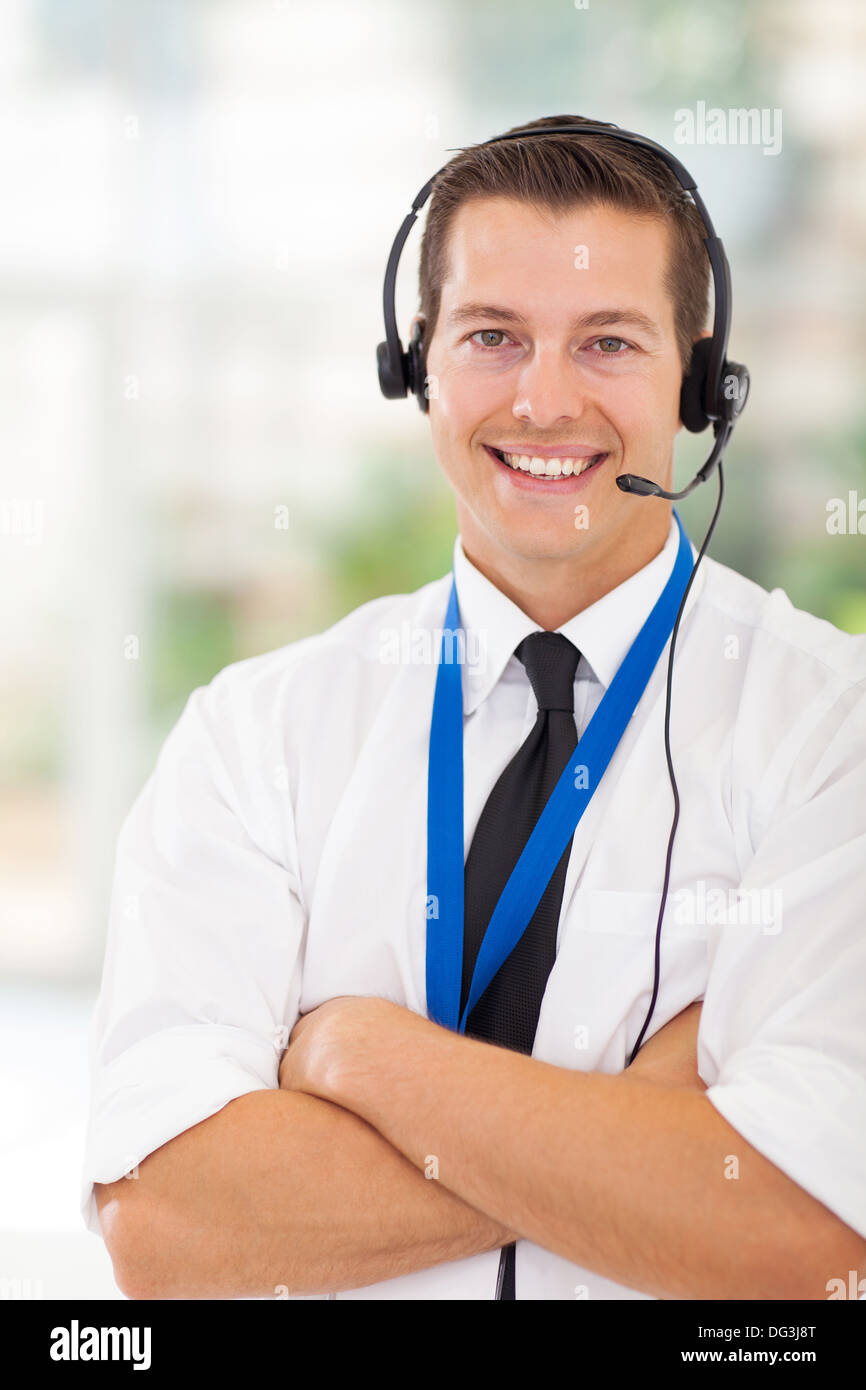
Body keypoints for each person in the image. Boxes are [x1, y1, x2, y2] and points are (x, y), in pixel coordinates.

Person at [83, 114, 866, 1301]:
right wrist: (638, 1132)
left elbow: (799, 1240)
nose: (544, 403)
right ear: (417, 364)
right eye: (492, 336)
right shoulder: (254, 739)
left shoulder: (831, 734)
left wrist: (360, 1052)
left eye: (606, 341)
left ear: (699, 381)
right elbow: (172, 1229)